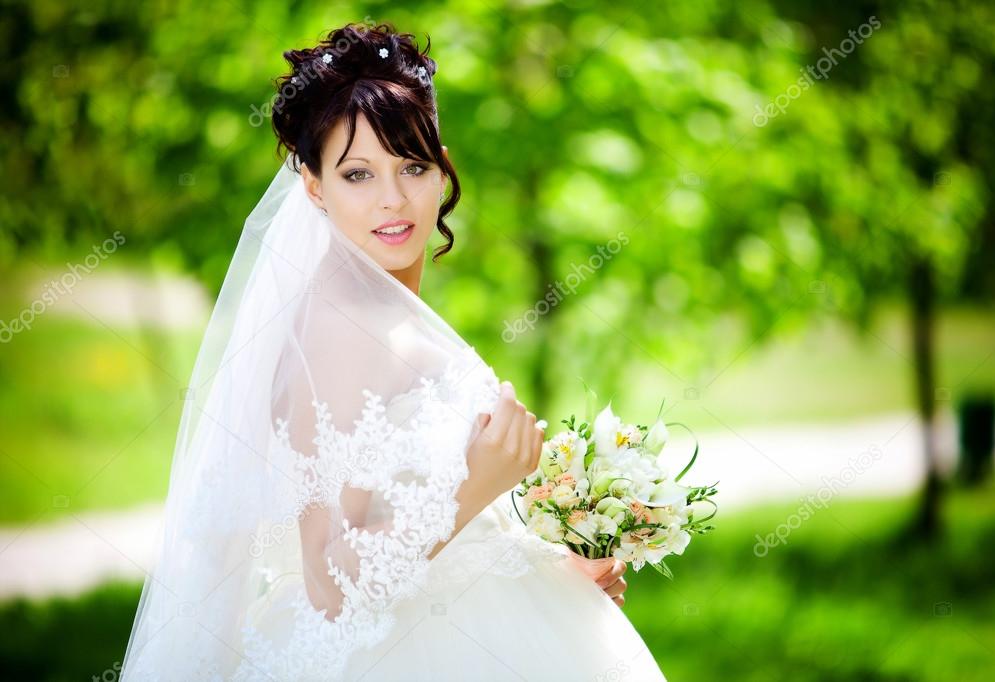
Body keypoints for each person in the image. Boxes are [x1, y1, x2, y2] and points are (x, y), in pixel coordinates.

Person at [122, 20, 667, 681]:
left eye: (411, 166)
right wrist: (479, 479)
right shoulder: (341, 326)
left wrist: (546, 571)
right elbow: (329, 582)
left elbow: (396, 513)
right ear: (314, 186)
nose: (392, 198)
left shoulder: (374, 305)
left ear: (441, 168)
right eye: (357, 174)